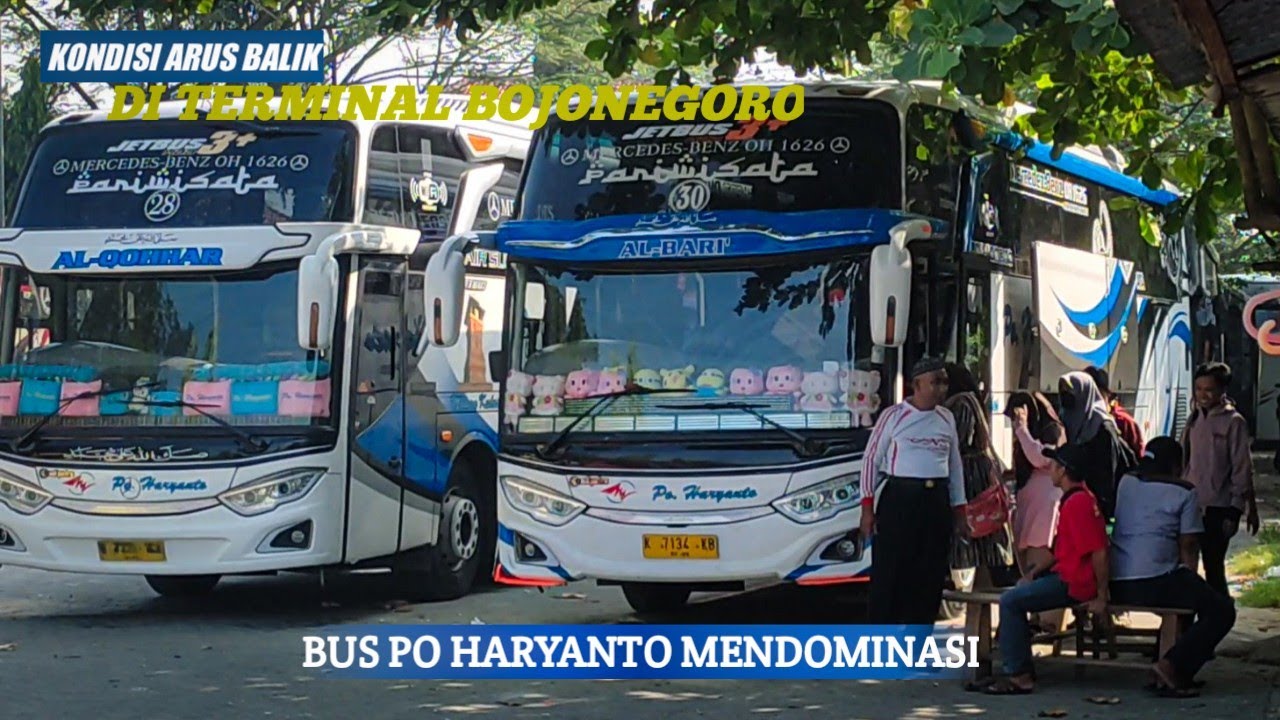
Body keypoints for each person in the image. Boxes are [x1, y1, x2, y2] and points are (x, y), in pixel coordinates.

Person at [1109, 436, 1237, 698]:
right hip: (1155, 579)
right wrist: (1191, 577)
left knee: (1189, 596)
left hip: (1117, 580)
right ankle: (1172, 665)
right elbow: (1189, 546)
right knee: (1222, 610)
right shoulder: (1185, 492)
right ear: (1177, 465)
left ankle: (1168, 663)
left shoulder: (1126, 482)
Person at [983, 443, 1111, 695]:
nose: (1049, 469)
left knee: (1010, 602)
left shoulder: (1078, 503)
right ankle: (1014, 665)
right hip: (1065, 573)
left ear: (1063, 470)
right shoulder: (1074, 498)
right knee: (1017, 593)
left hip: (1074, 582)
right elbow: (1060, 548)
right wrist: (1032, 573)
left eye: (1053, 465)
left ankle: (1019, 674)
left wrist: (1101, 595)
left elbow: (1099, 551)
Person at [860, 357, 971, 626]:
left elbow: (954, 465)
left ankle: (917, 647)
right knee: (891, 574)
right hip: (900, 499)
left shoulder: (946, 418)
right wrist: (867, 508)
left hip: (936, 501)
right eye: (935, 382)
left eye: (944, 382)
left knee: (929, 576)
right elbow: (871, 460)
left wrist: (960, 510)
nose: (941, 389)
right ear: (917, 385)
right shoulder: (894, 416)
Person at [1181, 362, 1261, 596]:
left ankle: (1221, 615)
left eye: (1209, 389)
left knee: (1213, 568)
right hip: (1192, 505)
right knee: (1187, 567)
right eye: (1198, 389)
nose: (1203, 395)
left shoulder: (1233, 422)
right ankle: (1188, 622)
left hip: (1219, 508)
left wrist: (1237, 510)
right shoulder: (1194, 419)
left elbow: (1242, 468)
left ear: (1222, 390)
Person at [1004, 391, 1067, 631]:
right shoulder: (1025, 437)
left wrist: (1022, 429)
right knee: (1030, 567)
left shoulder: (1052, 431)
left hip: (1045, 509)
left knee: (1043, 564)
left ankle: (1049, 620)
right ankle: (1036, 617)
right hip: (1029, 508)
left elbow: (1043, 459)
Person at [945, 391, 1015, 578]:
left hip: (970, 478)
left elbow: (959, 441)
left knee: (968, 536)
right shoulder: (971, 402)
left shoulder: (961, 405)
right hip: (981, 476)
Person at [1056, 370, 1135, 519]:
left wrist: (1100, 512)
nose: (1067, 404)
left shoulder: (1103, 428)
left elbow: (1108, 477)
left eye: (1071, 397)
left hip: (1105, 511)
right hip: (1082, 505)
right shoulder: (1074, 424)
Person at [1084, 365, 1145, 457]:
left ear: (1106, 395)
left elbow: (1138, 457)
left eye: (1097, 394)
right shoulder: (1076, 423)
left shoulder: (1124, 422)